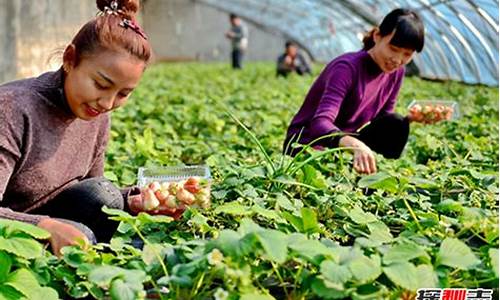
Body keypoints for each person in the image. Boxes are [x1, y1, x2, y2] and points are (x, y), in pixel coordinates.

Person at [0, 0, 151, 255]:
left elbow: (92, 193)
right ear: (70, 59)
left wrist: (132, 201)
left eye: (124, 93)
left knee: (105, 195)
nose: (107, 103)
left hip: (51, 222)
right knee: (85, 238)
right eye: (101, 84)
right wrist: (45, 227)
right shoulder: (12, 109)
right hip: (12, 233)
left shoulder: (97, 113)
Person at [283, 8, 425, 174]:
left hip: (342, 144)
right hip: (307, 144)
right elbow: (319, 124)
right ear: (377, 36)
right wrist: (355, 145)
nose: (398, 59)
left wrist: (412, 118)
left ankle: (375, 182)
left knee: (396, 124)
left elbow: (384, 120)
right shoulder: (347, 68)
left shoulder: (396, 72)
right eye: (393, 49)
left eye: (407, 54)